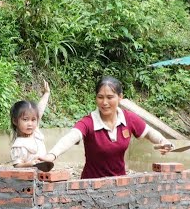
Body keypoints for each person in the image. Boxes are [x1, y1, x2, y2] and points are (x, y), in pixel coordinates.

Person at [41, 76, 173, 178]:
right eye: (100, 97)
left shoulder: (129, 118)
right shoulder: (89, 122)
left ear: (120, 97)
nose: (104, 103)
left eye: (110, 97)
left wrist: (163, 141)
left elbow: (148, 132)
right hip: (91, 186)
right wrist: (52, 155)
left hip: (120, 184)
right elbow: (71, 137)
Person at [9, 81, 51, 167]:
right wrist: (29, 164)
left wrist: (46, 93)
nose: (30, 124)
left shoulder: (36, 132)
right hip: (29, 179)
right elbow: (17, 165)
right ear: (15, 121)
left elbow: (40, 110)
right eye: (25, 119)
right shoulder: (18, 145)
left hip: (44, 176)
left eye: (33, 120)